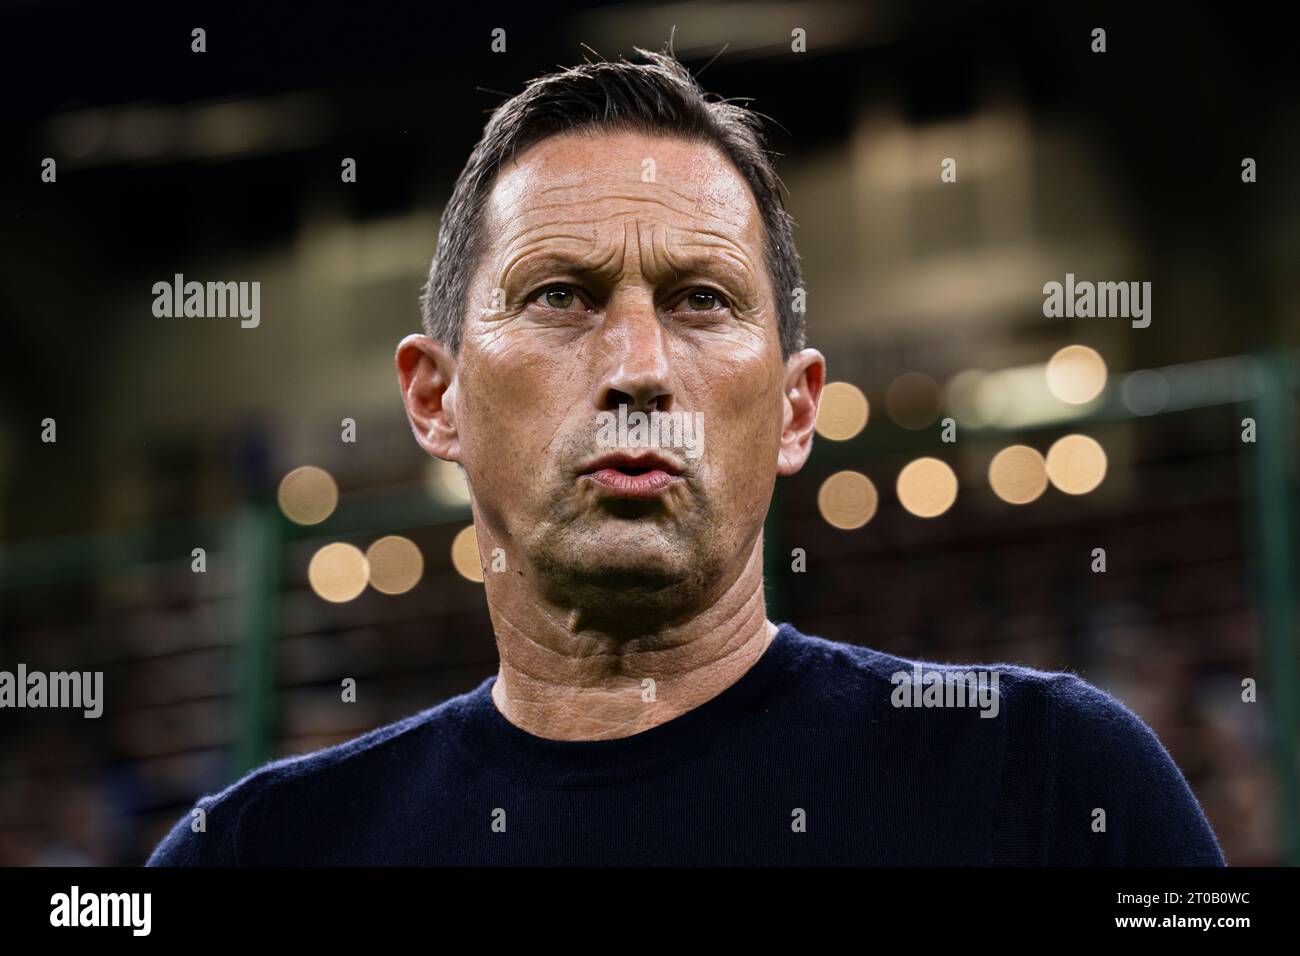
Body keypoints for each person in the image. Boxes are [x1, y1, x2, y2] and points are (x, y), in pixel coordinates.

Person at [148, 45, 1224, 866]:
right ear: (437, 399)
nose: (637, 368)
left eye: (700, 299)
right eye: (560, 294)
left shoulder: (1052, 784)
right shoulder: (249, 852)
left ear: (798, 408)